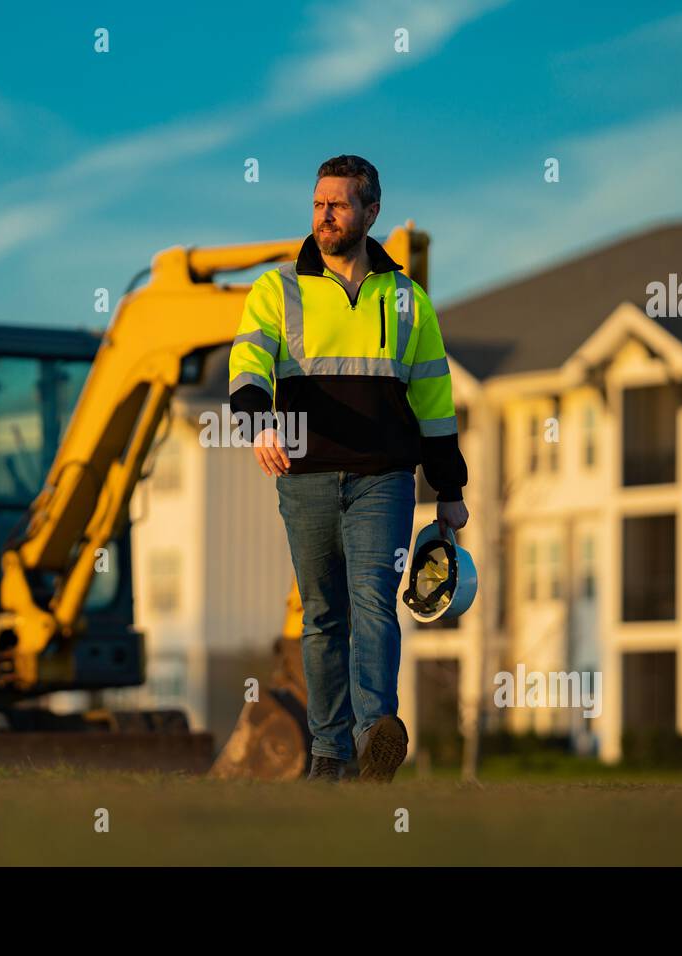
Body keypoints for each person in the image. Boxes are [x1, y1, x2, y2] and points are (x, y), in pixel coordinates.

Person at [228, 154, 469, 782]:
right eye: (317, 204)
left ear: (370, 211)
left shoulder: (409, 301)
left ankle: (372, 740)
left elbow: (435, 402)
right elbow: (248, 365)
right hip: (304, 476)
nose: (325, 215)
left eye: (337, 204)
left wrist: (449, 489)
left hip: (384, 478)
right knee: (321, 615)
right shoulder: (276, 289)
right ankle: (328, 754)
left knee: (373, 601)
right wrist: (257, 423)